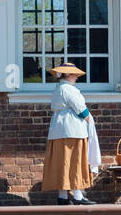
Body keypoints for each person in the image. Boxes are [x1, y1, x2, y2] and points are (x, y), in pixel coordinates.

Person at [41, 63, 96, 205]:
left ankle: (63, 196)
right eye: (74, 74)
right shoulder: (69, 89)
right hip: (72, 129)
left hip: (58, 129)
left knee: (62, 162)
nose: (76, 77)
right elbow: (80, 108)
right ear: (68, 75)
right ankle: (77, 196)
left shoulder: (57, 89)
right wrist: (89, 119)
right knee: (75, 161)